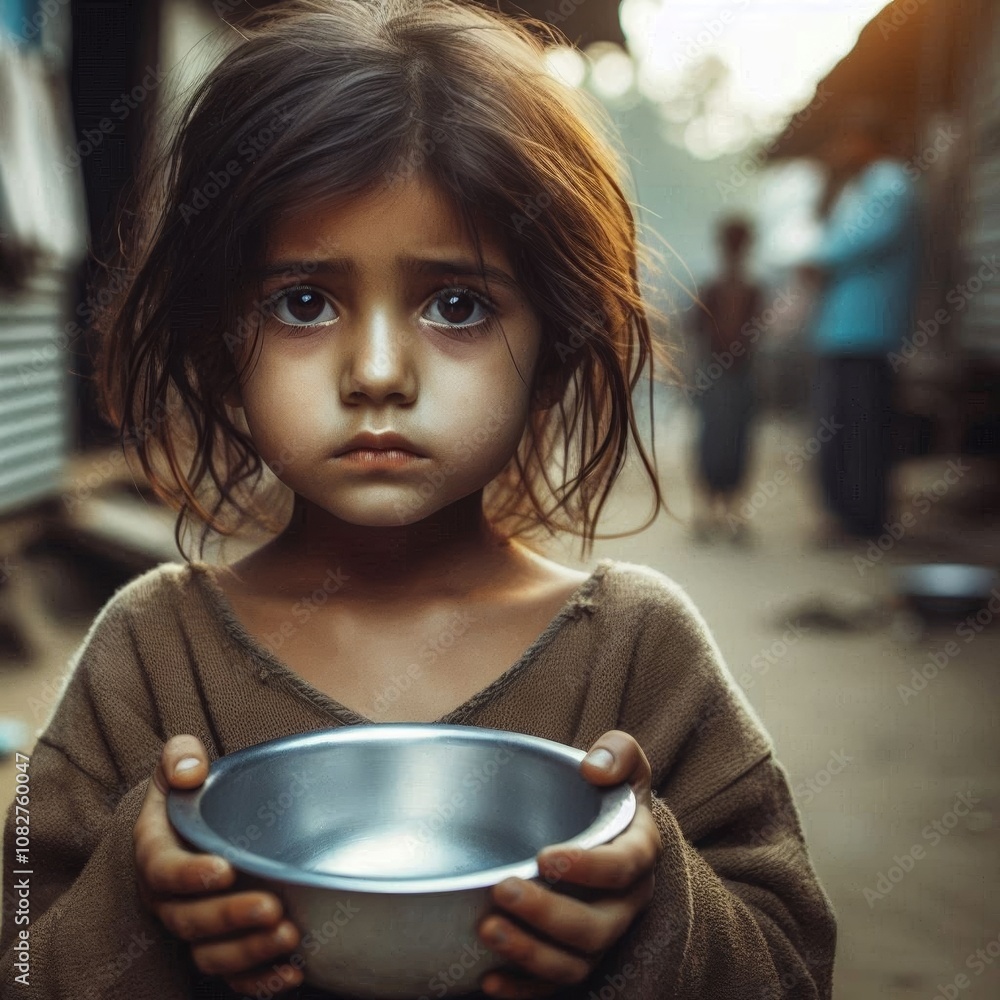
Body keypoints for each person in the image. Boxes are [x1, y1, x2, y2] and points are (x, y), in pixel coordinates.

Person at [0, 2, 836, 997]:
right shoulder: (149, 654)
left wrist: (654, 903)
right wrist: (133, 904)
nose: (380, 372)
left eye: (458, 305)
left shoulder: (637, 654)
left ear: (557, 342)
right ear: (220, 340)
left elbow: (789, 966)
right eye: (303, 302)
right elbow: (19, 943)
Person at [800, 104, 920, 545]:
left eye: (849, 141)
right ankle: (845, 516)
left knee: (862, 430)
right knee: (841, 427)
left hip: (867, 334)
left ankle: (863, 520)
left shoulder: (891, 184)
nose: (842, 150)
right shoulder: (861, 186)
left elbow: (856, 240)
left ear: (870, 142)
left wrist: (818, 258)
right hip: (843, 333)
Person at [689, 216, 764, 543]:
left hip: (733, 375)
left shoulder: (746, 289)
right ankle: (711, 510)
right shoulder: (716, 288)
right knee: (716, 440)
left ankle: (727, 511)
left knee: (733, 441)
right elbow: (695, 329)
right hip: (721, 375)